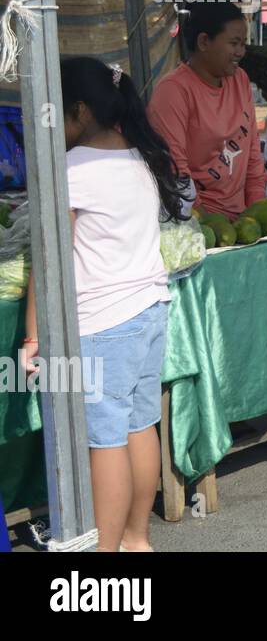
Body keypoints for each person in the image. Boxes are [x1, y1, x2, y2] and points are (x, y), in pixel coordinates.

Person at [22, 58, 186, 552]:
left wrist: (33, 335)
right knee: (139, 427)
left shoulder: (73, 168)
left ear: (79, 111)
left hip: (103, 325)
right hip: (148, 312)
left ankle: (102, 557)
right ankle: (137, 540)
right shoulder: (139, 156)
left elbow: (50, 264)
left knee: (105, 442)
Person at [148, 1, 267, 219]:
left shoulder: (239, 80)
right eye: (234, 43)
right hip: (199, 220)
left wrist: (258, 212)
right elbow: (176, 172)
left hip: (243, 220)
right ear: (204, 41)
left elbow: (252, 156)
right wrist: (208, 224)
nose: (241, 52)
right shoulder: (172, 91)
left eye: (243, 44)